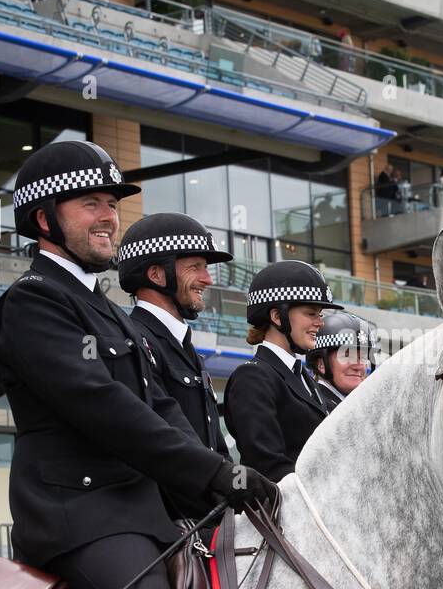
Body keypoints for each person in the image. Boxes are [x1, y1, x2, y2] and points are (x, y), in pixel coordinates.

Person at [0, 140, 276, 589]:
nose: (109, 216)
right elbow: (106, 409)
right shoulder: (32, 302)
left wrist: (229, 488)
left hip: (135, 511)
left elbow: (163, 415)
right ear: (44, 220)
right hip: (73, 511)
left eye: (112, 205)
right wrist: (214, 472)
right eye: (90, 203)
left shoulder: (111, 315)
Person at [117, 212, 234, 517]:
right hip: (169, 523)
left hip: (207, 515)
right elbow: (156, 438)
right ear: (157, 275)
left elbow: (213, 444)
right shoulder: (134, 340)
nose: (207, 279)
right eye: (195, 267)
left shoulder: (185, 348)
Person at [223, 260, 344, 481]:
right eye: (311, 313)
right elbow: (268, 465)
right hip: (287, 509)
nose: (320, 323)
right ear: (277, 317)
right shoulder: (252, 377)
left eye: (320, 314)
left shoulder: (304, 378)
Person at [305, 311, 379, 413]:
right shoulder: (314, 409)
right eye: (347, 355)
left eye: (363, 357)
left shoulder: (364, 407)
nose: (358, 366)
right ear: (321, 364)